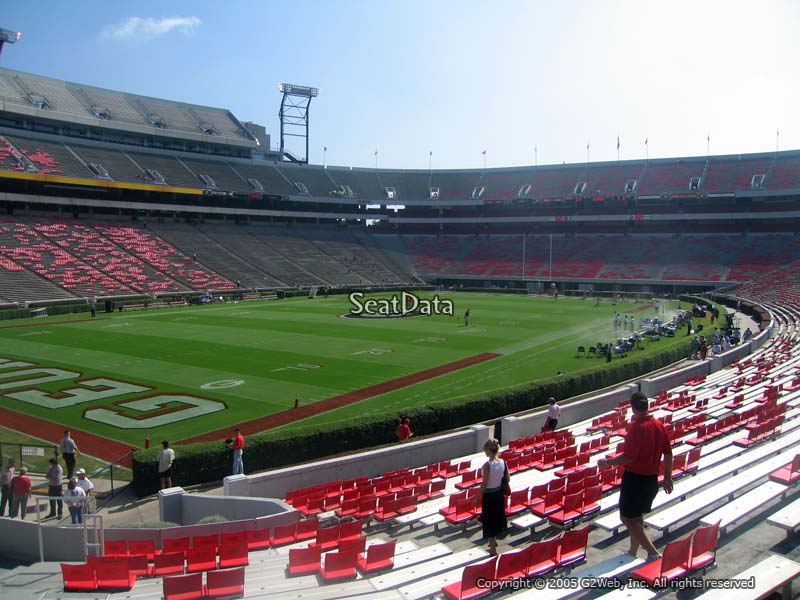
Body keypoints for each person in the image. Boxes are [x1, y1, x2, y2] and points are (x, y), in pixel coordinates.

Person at [598, 392, 672, 560]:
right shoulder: (659, 425)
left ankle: (653, 553)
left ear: (633, 408)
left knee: (626, 517)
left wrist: (608, 463)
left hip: (636, 479)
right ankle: (633, 551)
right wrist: (668, 477)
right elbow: (668, 453)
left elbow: (628, 457)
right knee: (637, 517)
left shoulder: (637, 428)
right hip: (652, 480)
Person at [472, 438, 508, 555]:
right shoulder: (503, 462)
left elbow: (484, 484)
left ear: (488, 450)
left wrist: (476, 497)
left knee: (489, 522)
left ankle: (493, 549)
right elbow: (507, 478)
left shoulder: (487, 465)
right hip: (499, 494)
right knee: (495, 519)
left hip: (489, 496)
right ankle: (492, 543)